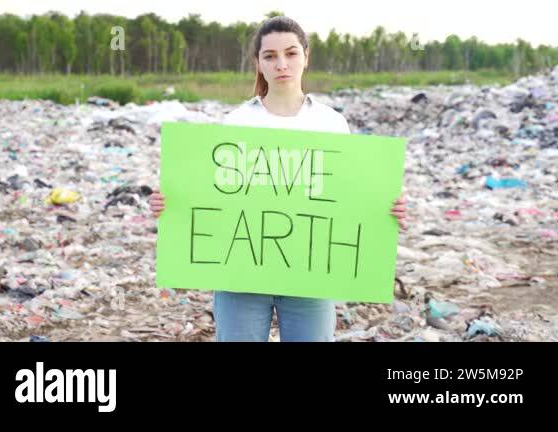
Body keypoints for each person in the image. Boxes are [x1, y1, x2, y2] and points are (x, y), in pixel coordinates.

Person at [149, 16, 407, 342]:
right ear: (257, 63)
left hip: (311, 278)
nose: (281, 64)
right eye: (270, 56)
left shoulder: (331, 123)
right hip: (240, 277)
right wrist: (170, 205)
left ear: (306, 57)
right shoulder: (237, 122)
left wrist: (387, 210)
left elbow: (349, 197)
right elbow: (212, 194)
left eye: (291, 53)